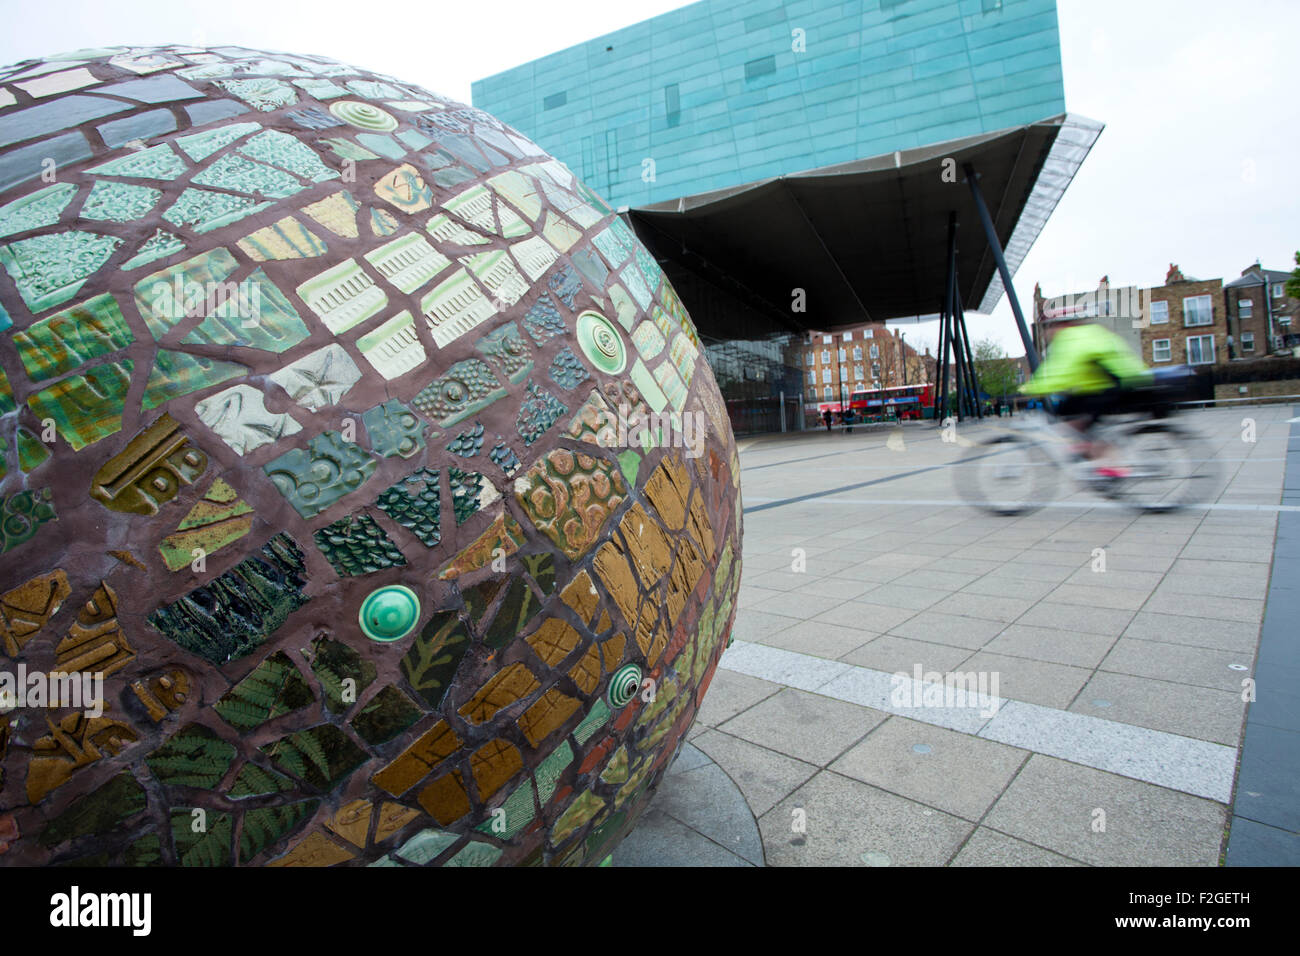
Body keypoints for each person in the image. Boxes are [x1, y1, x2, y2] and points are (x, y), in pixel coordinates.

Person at [1018, 318, 1153, 477]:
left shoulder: (1072, 338)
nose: (1047, 334)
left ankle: (1110, 463)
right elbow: (1075, 374)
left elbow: (1061, 372)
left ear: (1062, 326)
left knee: (1084, 420)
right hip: (1107, 384)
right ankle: (1088, 450)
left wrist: (1029, 389)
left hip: (1118, 383)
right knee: (1067, 411)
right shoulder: (1087, 333)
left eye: (1049, 328)